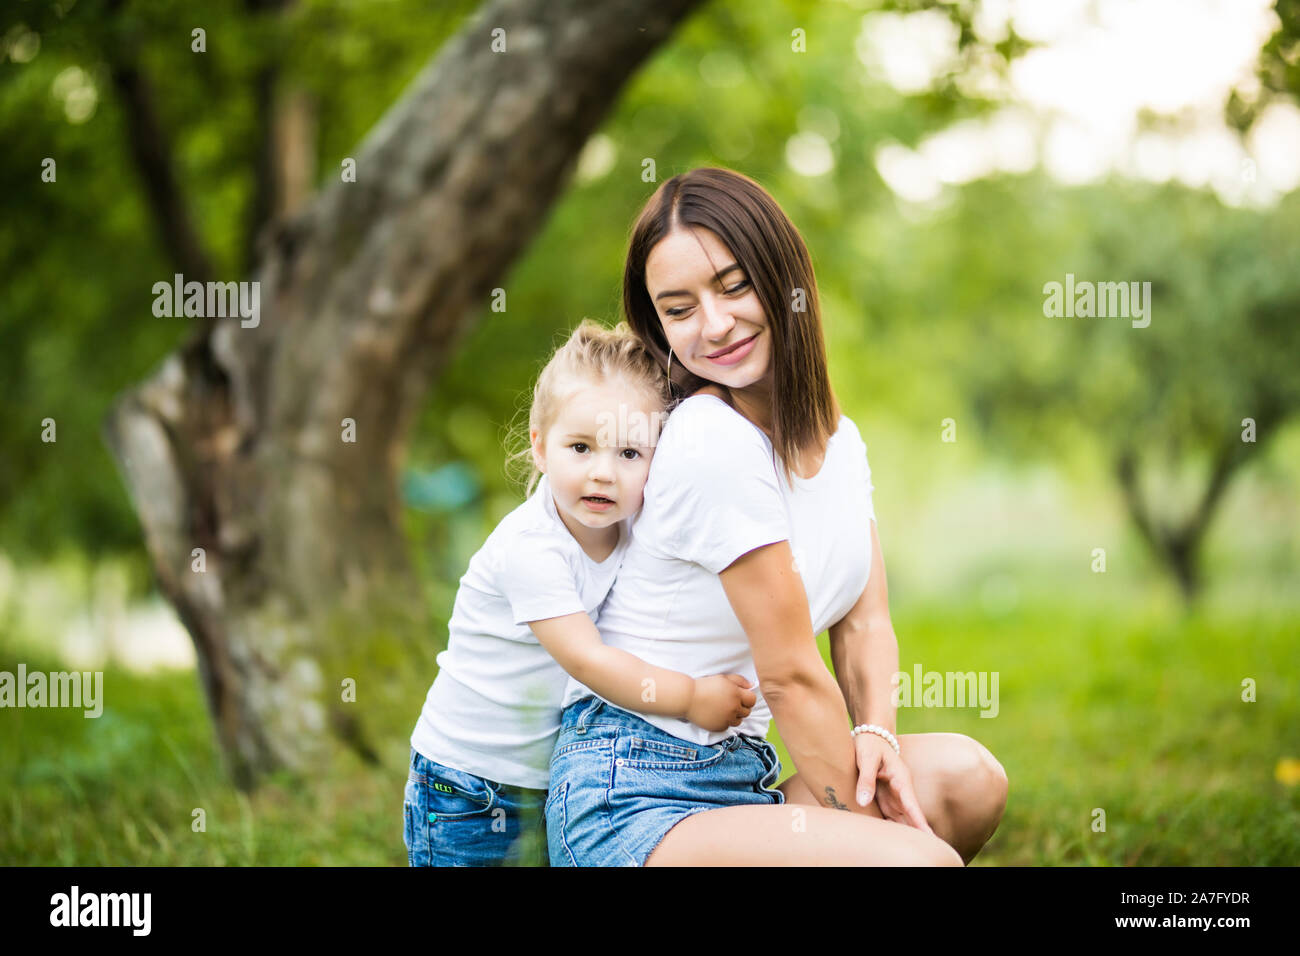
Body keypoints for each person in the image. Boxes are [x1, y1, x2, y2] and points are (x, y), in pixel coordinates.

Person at [546, 168, 1008, 866]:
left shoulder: (840, 443)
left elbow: (865, 622)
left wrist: (876, 735)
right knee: (920, 863)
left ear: (784, 273)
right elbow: (791, 675)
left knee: (968, 780)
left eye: (733, 286)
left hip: (742, 782)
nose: (715, 324)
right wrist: (872, 830)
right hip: (631, 799)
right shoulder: (709, 438)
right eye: (679, 309)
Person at [404, 319, 756, 866]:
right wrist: (690, 697)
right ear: (541, 448)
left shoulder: (630, 530)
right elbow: (589, 659)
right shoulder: (532, 547)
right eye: (581, 447)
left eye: (629, 454)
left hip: (541, 779)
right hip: (467, 784)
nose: (602, 473)